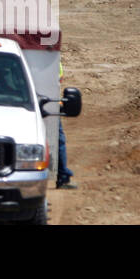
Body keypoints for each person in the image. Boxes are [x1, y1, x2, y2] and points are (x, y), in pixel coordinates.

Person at [57, 58, 75, 189]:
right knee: (58, 140)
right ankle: (62, 175)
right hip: (46, 104)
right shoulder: (50, 60)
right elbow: (58, 79)